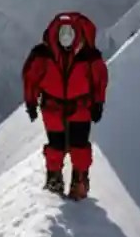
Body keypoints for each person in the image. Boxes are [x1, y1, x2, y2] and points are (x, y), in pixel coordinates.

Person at [21, 11, 108, 199]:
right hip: (56, 108)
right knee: (56, 146)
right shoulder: (44, 55)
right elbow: (31, 78)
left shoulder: (88, 56)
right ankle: (56, 178)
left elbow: (99, 80)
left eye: (70, 34)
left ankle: (80, 179)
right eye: (63, 34)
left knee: (79, 146)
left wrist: (98, 102)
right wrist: (30, 101)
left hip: (78, 107)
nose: (66, 39)